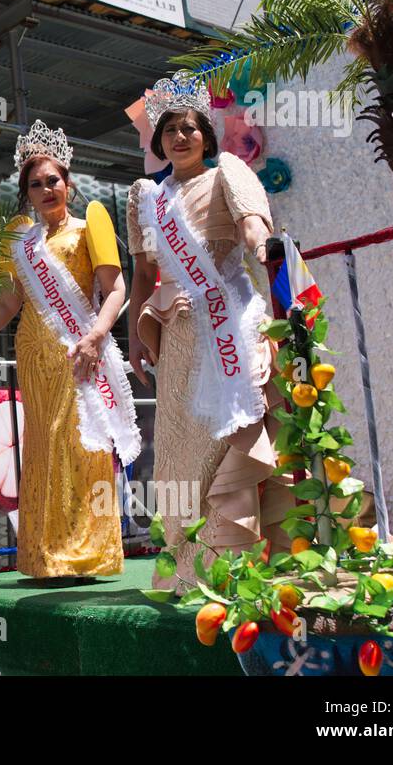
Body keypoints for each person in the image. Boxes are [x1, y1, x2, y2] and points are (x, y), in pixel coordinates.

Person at [0, 122, 140, 580]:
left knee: (81, 445)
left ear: (67, 183)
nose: (46, 189)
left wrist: (95, 337)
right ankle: (46, 554)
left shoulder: (93, 225)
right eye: (36, 184)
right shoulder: (21, 240)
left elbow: (116, 288)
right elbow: (10, 302)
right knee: (44, 448)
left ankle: (86, 553)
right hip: (34, 352)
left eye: (53, 180)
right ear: (26, 193)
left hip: (78, 352)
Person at [125, 73, 290, 585]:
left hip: (229, 324)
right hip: (177, 336)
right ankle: (189, 570)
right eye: (170, 129)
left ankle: (242, 565)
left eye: (190, 128)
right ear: (160, 140)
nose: (180, 136)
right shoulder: (145, 197)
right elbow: (143, 276)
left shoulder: (227, 174)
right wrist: (134, 337)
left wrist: (265, 249)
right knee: (179, 449)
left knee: (233, 435)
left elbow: (252, 227)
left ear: (207, 136)